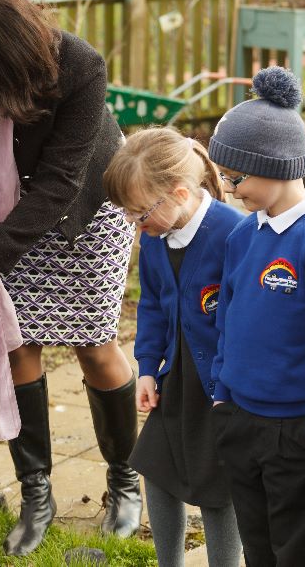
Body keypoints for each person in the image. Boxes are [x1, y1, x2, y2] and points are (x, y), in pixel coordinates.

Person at [0, 0, 141, 557]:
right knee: (18, 345)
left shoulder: (78, 67)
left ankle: (125, 481)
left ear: (7, 59)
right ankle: (35, 493)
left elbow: (59, 183)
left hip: (83, 210)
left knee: (94, 344)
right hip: (2, 213)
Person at [207, 66, 305, 566]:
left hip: (297, 430)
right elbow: (226, 321)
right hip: (239, 422)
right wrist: (222, 396)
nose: (229, 191)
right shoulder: (242, 235)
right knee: (257, 547)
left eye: (235, 177)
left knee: (296, 551)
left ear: (272, 165)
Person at [103, 127, 243, 567]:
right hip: (175, 376)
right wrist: (146, 367)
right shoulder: (154, 238)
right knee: (157, 468)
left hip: (221, 384)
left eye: (140, 212)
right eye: (128, 212)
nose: (133, 223)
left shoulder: (234, 235)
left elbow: (245, 320)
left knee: (218, 488)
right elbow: (152, 307)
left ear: (179, 193)